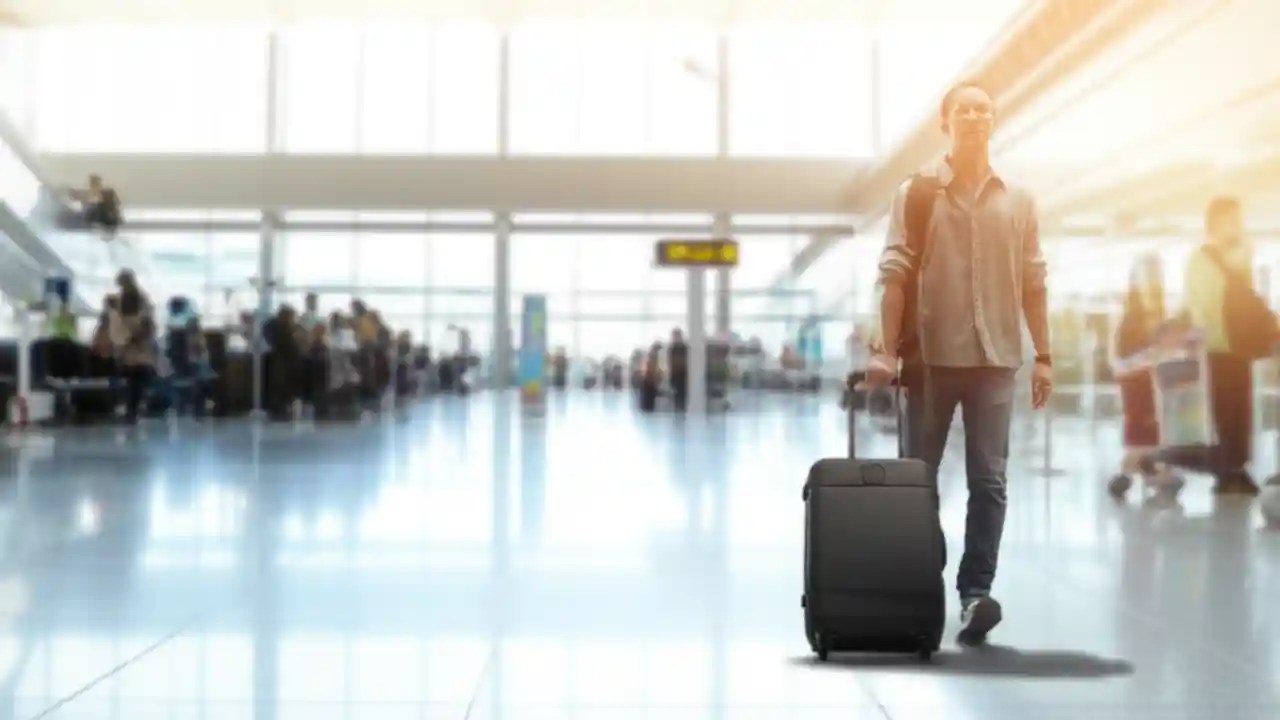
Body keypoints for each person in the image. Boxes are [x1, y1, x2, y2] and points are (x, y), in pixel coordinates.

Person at [866, 80, 1052, 646]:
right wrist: (883, 348)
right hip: (931, 359)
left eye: (984, 108)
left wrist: (1044, 355)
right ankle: (923, 577)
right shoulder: (918, 194)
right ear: (944, 123)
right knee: (916, 480)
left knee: (989, 480)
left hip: (997, 359)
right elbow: (893, 273)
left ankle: (975, 594)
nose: (976, 116)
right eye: (964, 109)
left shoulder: (1019, 200)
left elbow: (1034, 282)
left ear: (993, 121)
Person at [1182, 196, 1267, 495]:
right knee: (1225, 409)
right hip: (1219, 347)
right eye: (1234, 219)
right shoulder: (1201, 259)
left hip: (1239, 346)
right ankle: (1227, 471)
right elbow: (1201, 306)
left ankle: (1236, 467)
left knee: (1241, 410)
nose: (1239, 226)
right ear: (1217, 222)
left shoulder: (1236, 256)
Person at [1110, 254, 1180, 492]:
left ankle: (1146, 469)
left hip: (1153, 387)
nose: (1153, 285)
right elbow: (1122, 364)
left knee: (1151, 434)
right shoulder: (1130, 322)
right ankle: (1128, 473)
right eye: (1148, 278)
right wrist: (1155, 353)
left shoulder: (1159, 318)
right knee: (1141, 437)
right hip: (1136, 387)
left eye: (1156, 278)